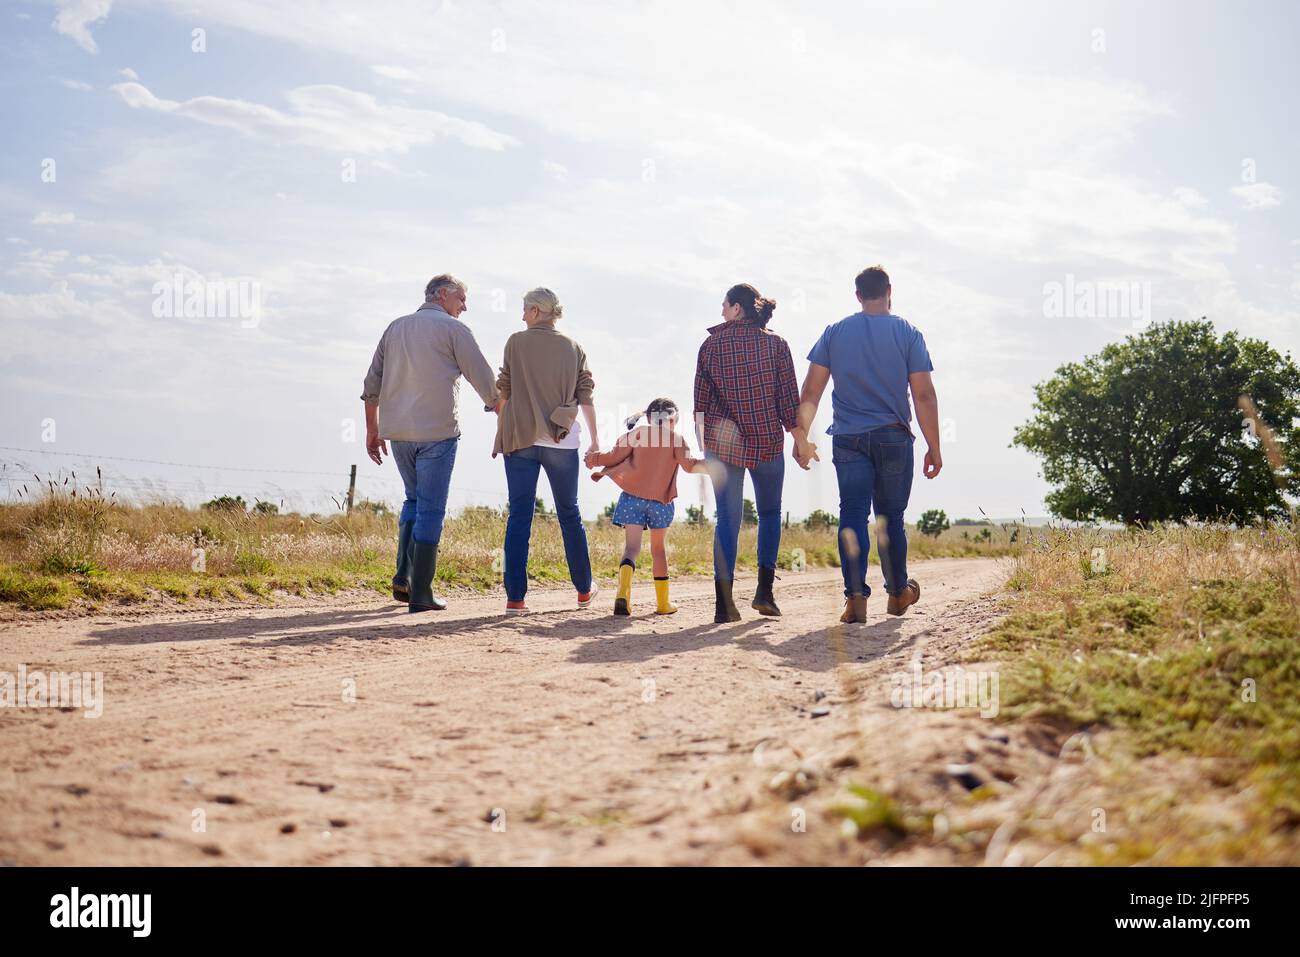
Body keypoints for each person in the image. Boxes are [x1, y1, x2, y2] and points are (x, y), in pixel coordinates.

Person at [796, 265, 942, 624]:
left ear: (857, 295)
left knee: (852, 515)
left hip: (848, 439)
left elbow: (812, 391)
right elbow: (923, 394)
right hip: (893, 436)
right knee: (890, 519)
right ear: (889, 290)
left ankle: (856, 599)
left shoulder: (835, 332)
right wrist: (934, 445)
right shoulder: (907, 332)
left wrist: (801, 436)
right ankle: (897, 594)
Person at [361, 273, 499, 613]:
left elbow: (371, 383)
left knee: (413, 499)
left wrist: (372, 430)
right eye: (461, 299)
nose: (464, 306)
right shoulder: (454, 330)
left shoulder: (395, 327)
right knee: (432, 508)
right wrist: (501, 410)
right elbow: (483, 378)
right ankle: (422, 593)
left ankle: (404, 576)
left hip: (399, 434)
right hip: (437, 433)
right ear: (442, 294)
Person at [694, 283, 814, 623]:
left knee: (728, 519)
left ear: (736, 309)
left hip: (723, 445)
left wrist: (705, 449)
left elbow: (700, 407)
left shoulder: (710, 346)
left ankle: (724, 605)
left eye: (724, 305)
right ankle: (764, 592)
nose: (720, 311)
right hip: (766, 440)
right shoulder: (776, 345)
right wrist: (799, 441)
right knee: (771, 514)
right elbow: (789, 402)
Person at [492, 288, 600, 615]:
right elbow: (586, 397)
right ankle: (583, 590)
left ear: (537, 311)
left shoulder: (515, 342)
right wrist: (596, 441)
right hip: (561, 441)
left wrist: (500, 431)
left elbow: (504, 390)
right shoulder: (573, 347)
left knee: (519, 517)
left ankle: (516, 599)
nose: (522, 315)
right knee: (569, 514)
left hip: (520, 439)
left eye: (525, 309)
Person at [586, 398, 705, 617]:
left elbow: (613, 456)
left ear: (649, 418)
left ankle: (623, 595)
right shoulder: (677, 439)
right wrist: (715, 465)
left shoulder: (638, 433)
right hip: (661, 503)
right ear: (672, 420)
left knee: (631, 549)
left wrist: (593, 459)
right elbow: (689, 466)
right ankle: (662, 604)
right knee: (658, 551)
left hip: (632, 499)